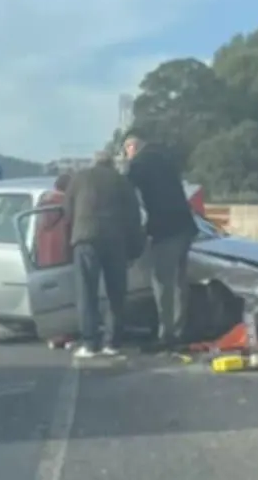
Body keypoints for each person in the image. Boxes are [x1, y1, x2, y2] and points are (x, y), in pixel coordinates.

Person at [122, 131, 198, 352]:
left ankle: (167, 334)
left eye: (126, 151)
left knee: (162, 282)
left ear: (131, 147)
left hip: (165, 228)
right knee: (180, 281)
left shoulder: (139, 163)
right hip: (186, 225)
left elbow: (127, 194)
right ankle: (180, 328)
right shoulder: (166, 158)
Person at [63, 151, 143, 358]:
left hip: (85, 239)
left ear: (94, 162)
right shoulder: (121, 181)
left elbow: (67, 211)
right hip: (116, 242)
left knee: (86, 293)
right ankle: (113, 343)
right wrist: (134, 250)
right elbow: (134, 217)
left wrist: (72, 237)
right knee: (116, 293)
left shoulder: (79, 178)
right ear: (111, 164)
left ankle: (90, 344)